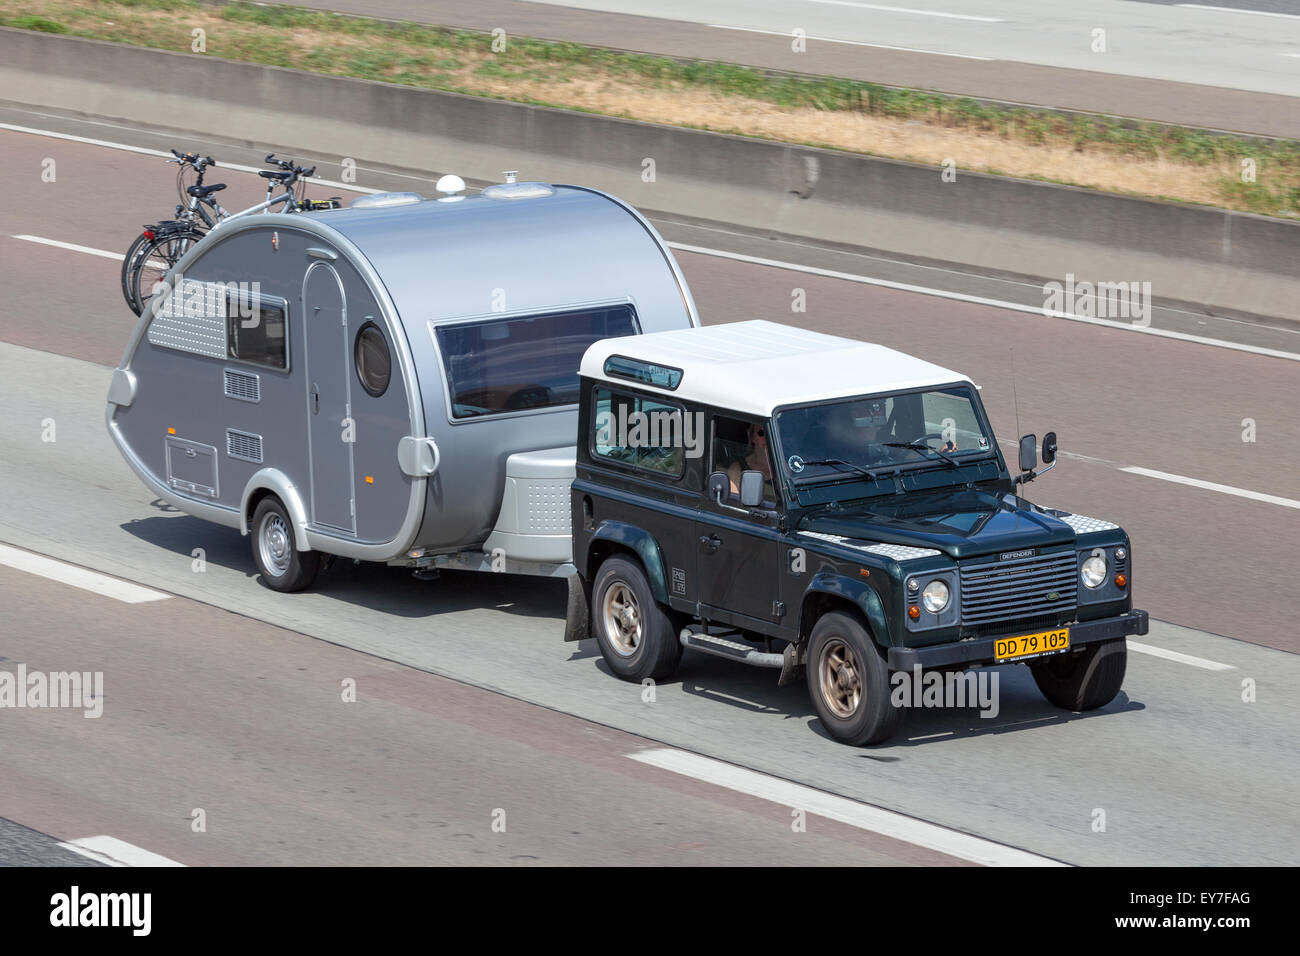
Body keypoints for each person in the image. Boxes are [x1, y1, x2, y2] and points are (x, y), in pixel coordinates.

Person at [727, 422, 773, 496]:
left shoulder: (786, 467)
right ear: (752, 437)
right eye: (761, 433)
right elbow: (734, 501)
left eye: (771, 432)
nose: (768, 437)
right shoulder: (737, 469)